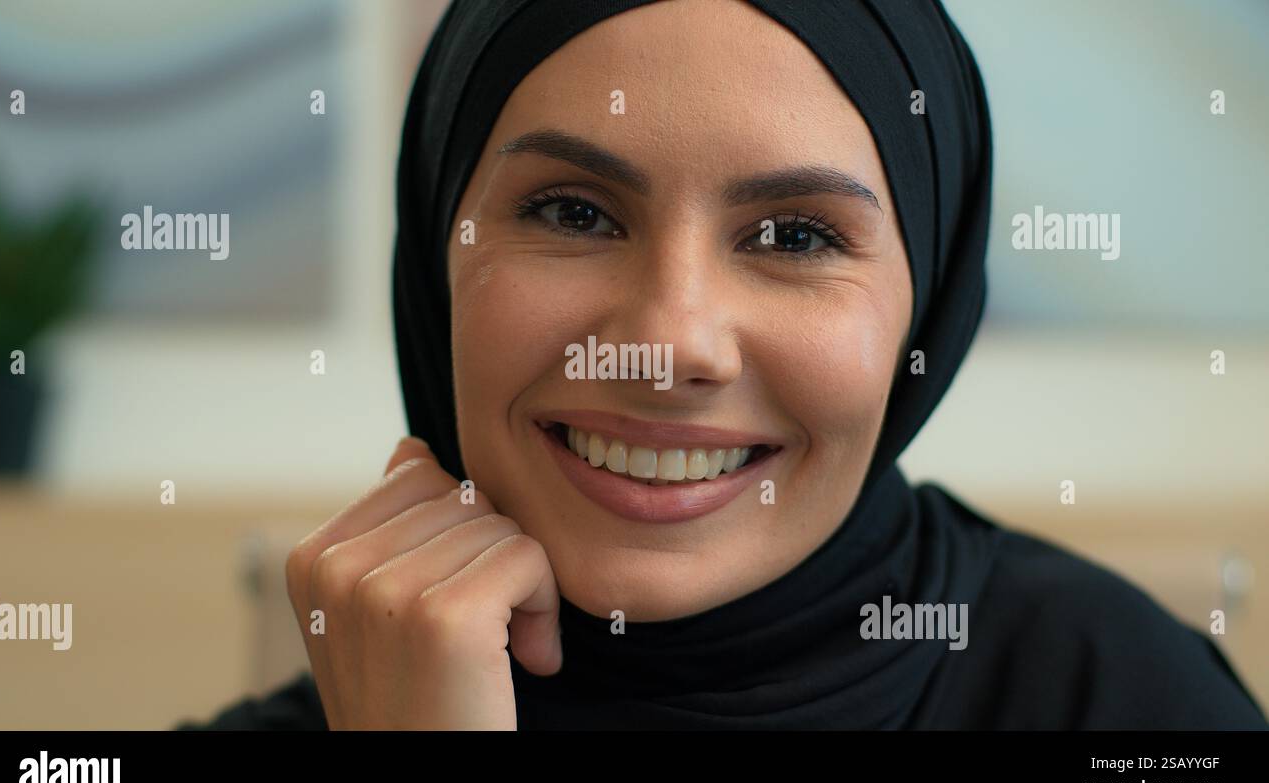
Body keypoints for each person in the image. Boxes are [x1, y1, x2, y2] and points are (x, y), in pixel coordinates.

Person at [180, 0, 1267, 730]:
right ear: (437, 251)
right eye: (571, 211)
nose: (672, 342)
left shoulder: (1128, 706)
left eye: (794, 236)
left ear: (922, 304)